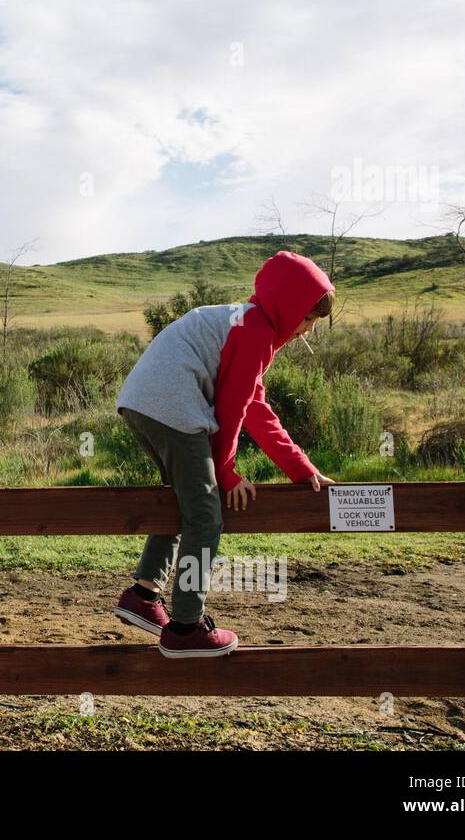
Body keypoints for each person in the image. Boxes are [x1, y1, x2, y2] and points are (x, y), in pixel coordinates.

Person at [113, 251, 336, 658]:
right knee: (206, 512)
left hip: (143, 402)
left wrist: (299, 468)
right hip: (173, 405)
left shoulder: (244, 322)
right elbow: (231, 410)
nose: (306, 330)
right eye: (306, 318)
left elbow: (255, 406)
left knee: (184, 498)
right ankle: (185, 629)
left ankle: (143, 596)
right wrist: (227, 472)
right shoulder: (254, 331)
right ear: (286, 305)